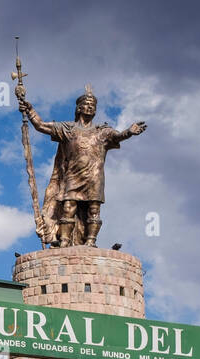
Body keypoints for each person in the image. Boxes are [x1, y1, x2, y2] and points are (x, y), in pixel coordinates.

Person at [16, 82, 146, 247]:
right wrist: (30, 110)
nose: (90, 107)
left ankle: (90, 241)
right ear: (78, 108)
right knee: (68, 207)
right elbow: (41, 126)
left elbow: (118, 136)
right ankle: (64, 241)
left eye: (93, 105)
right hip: (73, 176)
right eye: (86, 104)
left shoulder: (102, 131)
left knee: (94, 210)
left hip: (94, 177)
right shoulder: (67, 129)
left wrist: (129, 132)